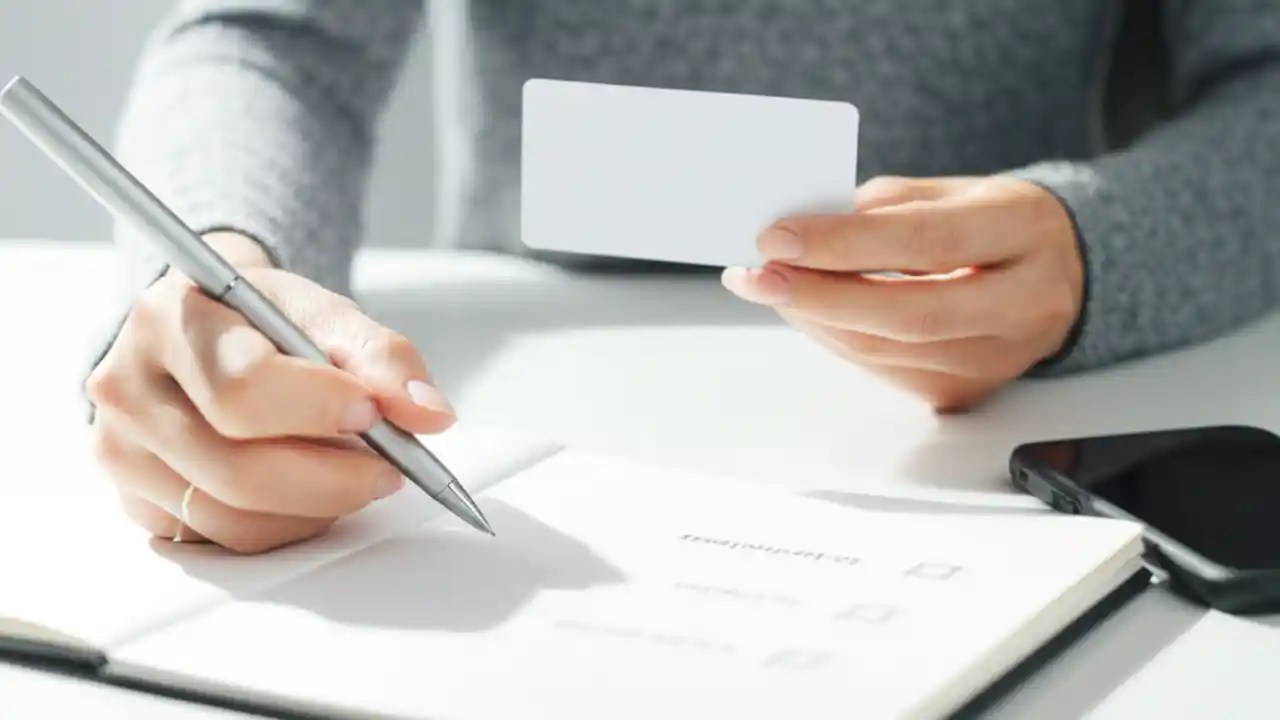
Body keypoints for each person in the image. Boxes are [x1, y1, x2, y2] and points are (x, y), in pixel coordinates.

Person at [85, 1, 1280, 553]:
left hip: (999, 423)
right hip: (539, 407)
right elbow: (271, 41)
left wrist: (1094, 246)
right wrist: (219, 278)